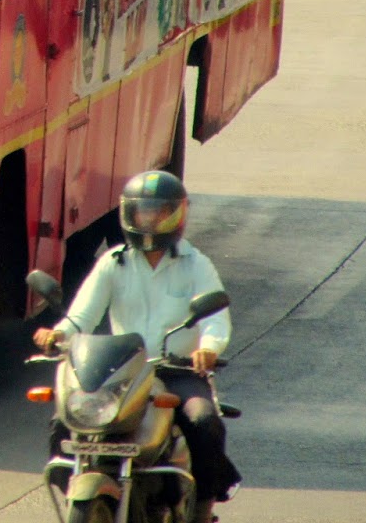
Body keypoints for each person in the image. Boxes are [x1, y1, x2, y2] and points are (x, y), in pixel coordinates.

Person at [32, 171, 241, 523]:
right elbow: (80, 317)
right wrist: (58, 334)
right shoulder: (113, 263)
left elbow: (216, 319)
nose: (149, 220)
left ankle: (202, 507)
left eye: (159, 212)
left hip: (177, 372)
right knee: (63, 422)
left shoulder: (196, 265)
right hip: (123, 372)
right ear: (129, 215)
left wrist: (208, 347)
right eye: (142, 212)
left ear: (176, 216)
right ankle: (76, 488)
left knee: (204, 422)